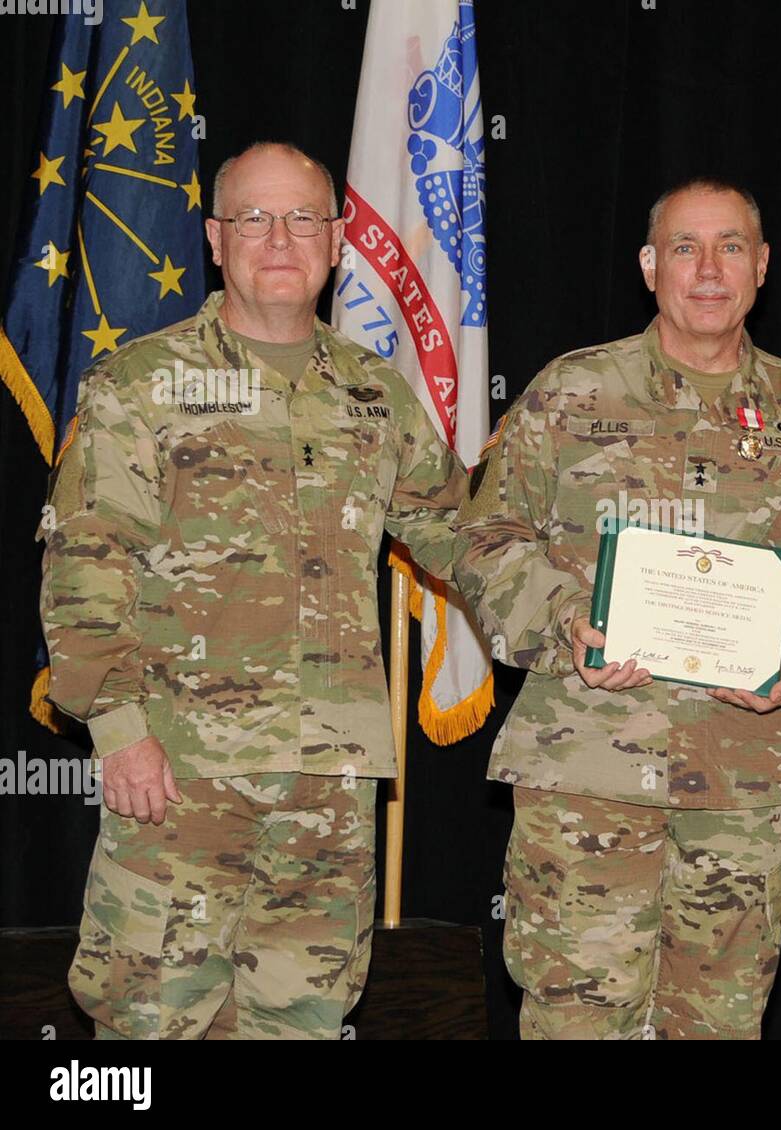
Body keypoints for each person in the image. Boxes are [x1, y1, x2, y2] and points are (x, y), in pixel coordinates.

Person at [39, 141, 467, 1039]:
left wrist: (585, 616)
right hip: (180, 772)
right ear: (216, 238)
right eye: (255, 219)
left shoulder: (373, 394)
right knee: (148, 1021)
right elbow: (88, 563)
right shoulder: (139, 384)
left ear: (338, 240)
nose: (281, 238)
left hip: (330, 779)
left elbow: (462, 533)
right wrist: (117, 732)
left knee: (302, 1019)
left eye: (304, 217)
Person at [453, 178, 781, 1039]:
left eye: (731, 246)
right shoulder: (571, 393)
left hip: (739, 785)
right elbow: (485, 535)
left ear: (762, 267)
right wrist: (566, 618)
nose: (709, 269)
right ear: (651, 266)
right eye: (685, 248)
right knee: (576, 1023)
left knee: (718, 1026)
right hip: (587, 777)